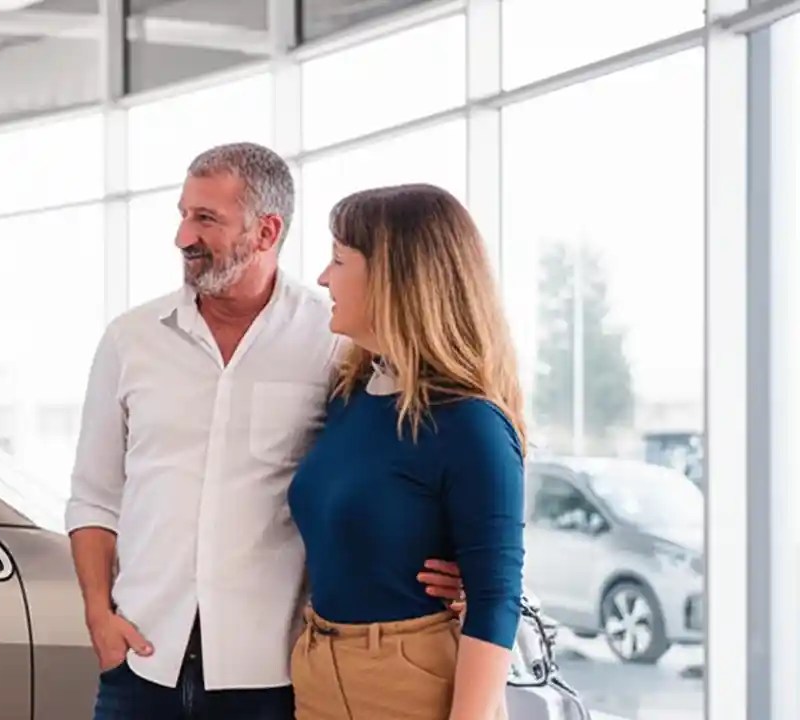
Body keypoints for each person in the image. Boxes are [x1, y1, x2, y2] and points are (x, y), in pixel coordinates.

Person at [64, 143, 464, 720]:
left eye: (206, 219)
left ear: (267, 231)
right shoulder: (131, 339)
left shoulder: (335, 342)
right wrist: (99, 616)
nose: (183, 236)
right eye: (183, 214)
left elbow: (409, 458)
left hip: (273, 675)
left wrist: (459, 561)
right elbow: (94, 497)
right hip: (140, 664)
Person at [288, 184, 527, 719]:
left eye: (338, 260)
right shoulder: (349, 397)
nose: (323, 278)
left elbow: (496, 600)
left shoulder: (472, 424)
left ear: (392, 279)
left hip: (408, 684)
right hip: (318, 672)